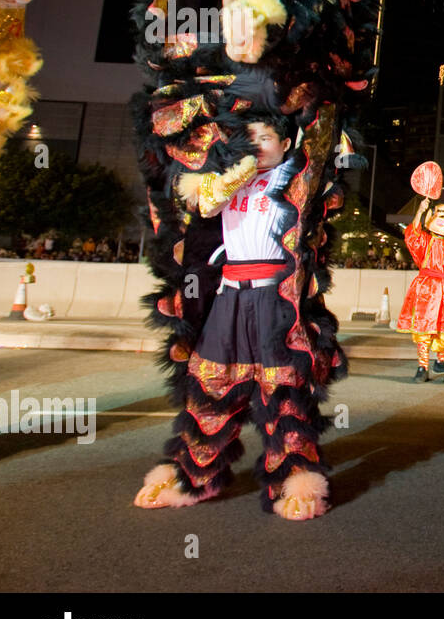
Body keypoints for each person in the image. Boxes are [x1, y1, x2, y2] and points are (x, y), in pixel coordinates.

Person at [135, 114, 333, 520]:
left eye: (268, 137)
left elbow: (323, 129)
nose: (258, 144)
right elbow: (176, 169)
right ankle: (195, 476)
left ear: (286, 143)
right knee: (209, 387)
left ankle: (296, 480)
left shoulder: (295, 180)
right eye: (250, 137)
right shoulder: (222, 180)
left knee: (285, 394)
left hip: (277, 300)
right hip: (228, 297)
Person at [398, 189, 444, 383]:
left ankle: (442, 361)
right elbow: (412, 236)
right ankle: (423, 366)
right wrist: (419, 211)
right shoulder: (425, 240)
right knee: (424, 328)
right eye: (443, 216)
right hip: (427, 287)